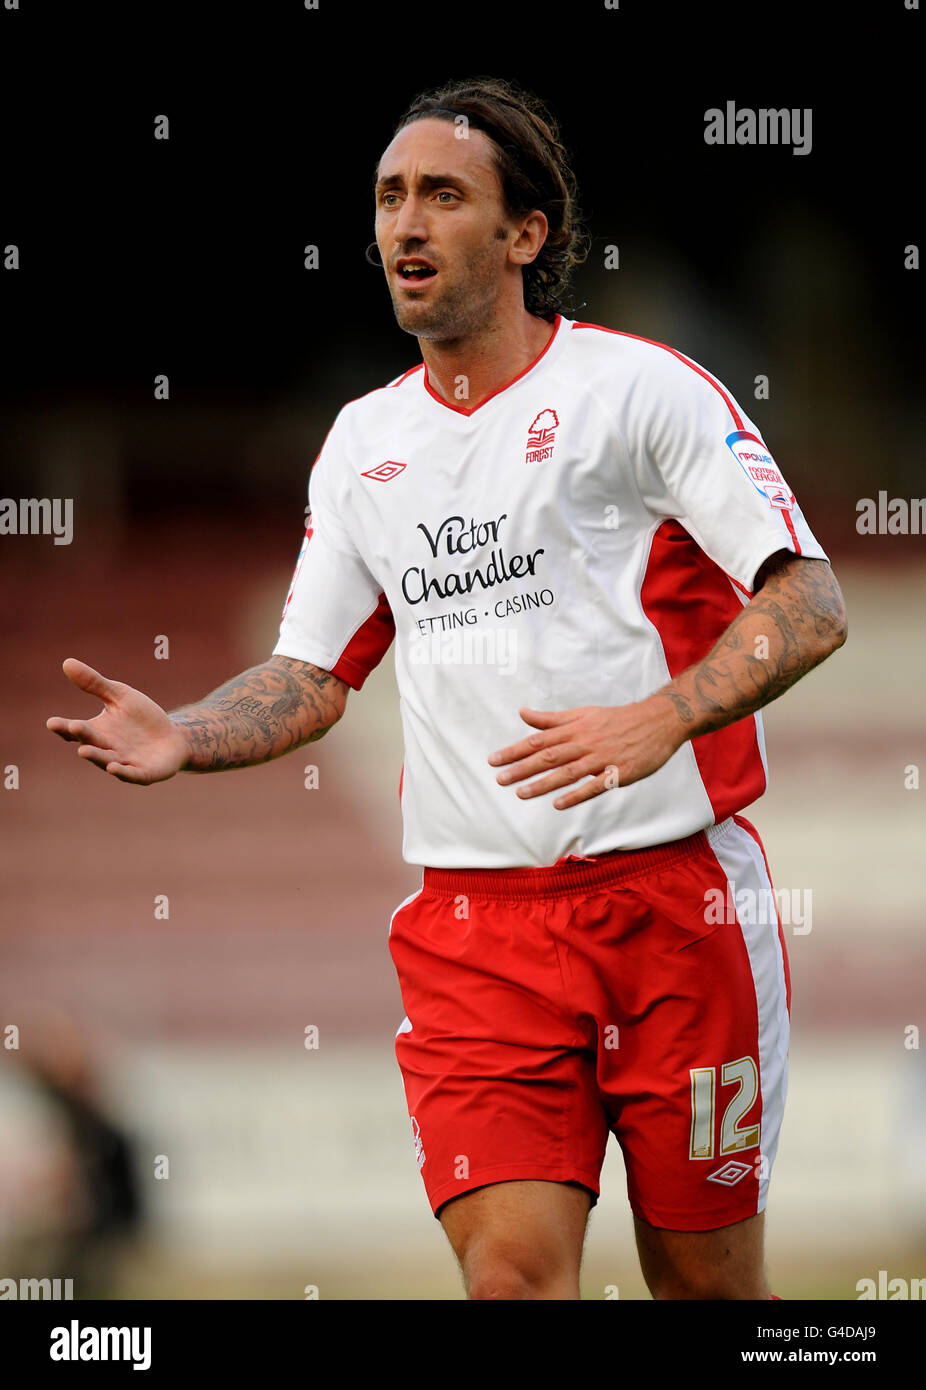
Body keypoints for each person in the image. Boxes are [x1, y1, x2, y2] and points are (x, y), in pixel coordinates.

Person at [48, 77, 847, 1300]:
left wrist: (663, 715)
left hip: (673, 910)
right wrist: (187, 734)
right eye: (386, 198)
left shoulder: (641, 392)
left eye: (441, 194)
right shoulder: (366, 443)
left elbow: (808, 602)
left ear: (524, 234)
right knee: (511, 1281)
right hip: (479, 936)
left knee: (710, 1294)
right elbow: (311, 672)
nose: (404, 224)